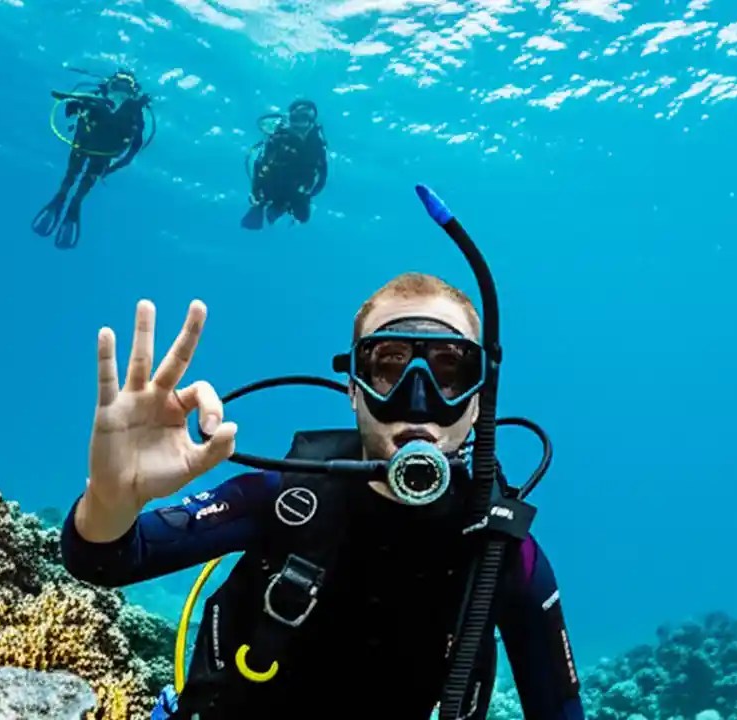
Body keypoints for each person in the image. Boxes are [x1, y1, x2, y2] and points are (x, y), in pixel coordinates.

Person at [59, 206, 586, 717]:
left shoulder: (502, 554)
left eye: (449, 371)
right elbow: (106, 561)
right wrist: (110, 500)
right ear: (353, 391)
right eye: (389, 367)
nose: (418, 400)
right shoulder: (288, 499)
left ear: (477, 402)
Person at [32, 69, 151, 249]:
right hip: (84, 146)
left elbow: (134, 147)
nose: (120, 92)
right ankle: (63, 196)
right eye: (117, 86)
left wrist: (113, 168)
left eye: (125, 89)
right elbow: (70, 108)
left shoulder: (135, 111)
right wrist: (74, 104)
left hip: (101, 154)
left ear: (133, 92)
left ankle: (74, 202)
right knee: (72, 175)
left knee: (85, 177)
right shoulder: (94, 100)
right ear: (109, 86)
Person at [241, 99, 329, 230]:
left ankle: (279, 211)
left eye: (305, 118)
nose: (300, 124)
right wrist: (255, 191)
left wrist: (309, 195)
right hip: (272, 185)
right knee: (265, 204)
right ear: (290, 118)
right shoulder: (278, 138)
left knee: (303, 217)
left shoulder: (317, 145)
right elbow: (257, 161)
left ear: (312, 121)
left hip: (297, 191)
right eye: (296, 118)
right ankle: (264, 207)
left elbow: (322, 175)